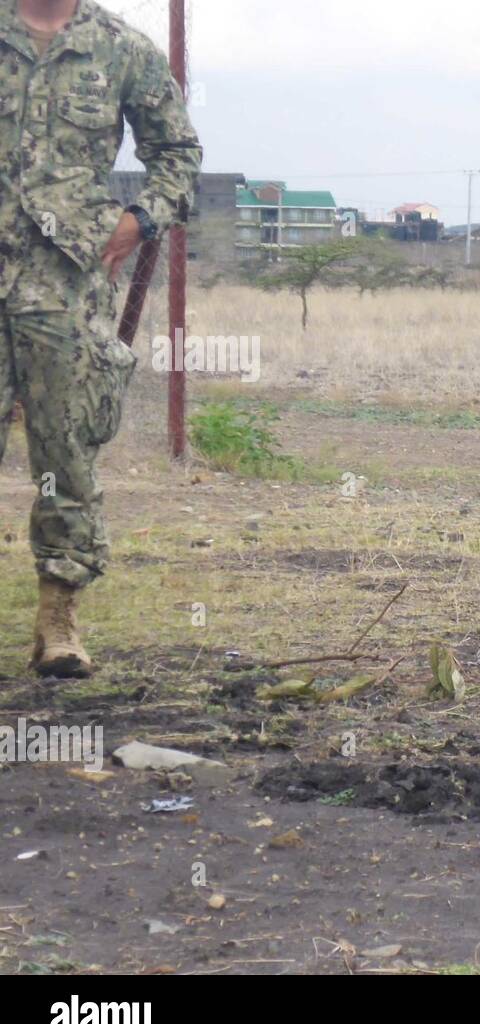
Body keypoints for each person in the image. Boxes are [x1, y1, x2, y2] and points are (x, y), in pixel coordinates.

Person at [0, 0, 202, 677]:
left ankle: (58, 618)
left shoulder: (120, 47)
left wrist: (140, 218)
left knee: (66, 450)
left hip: (66, 282)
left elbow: (178, 153)